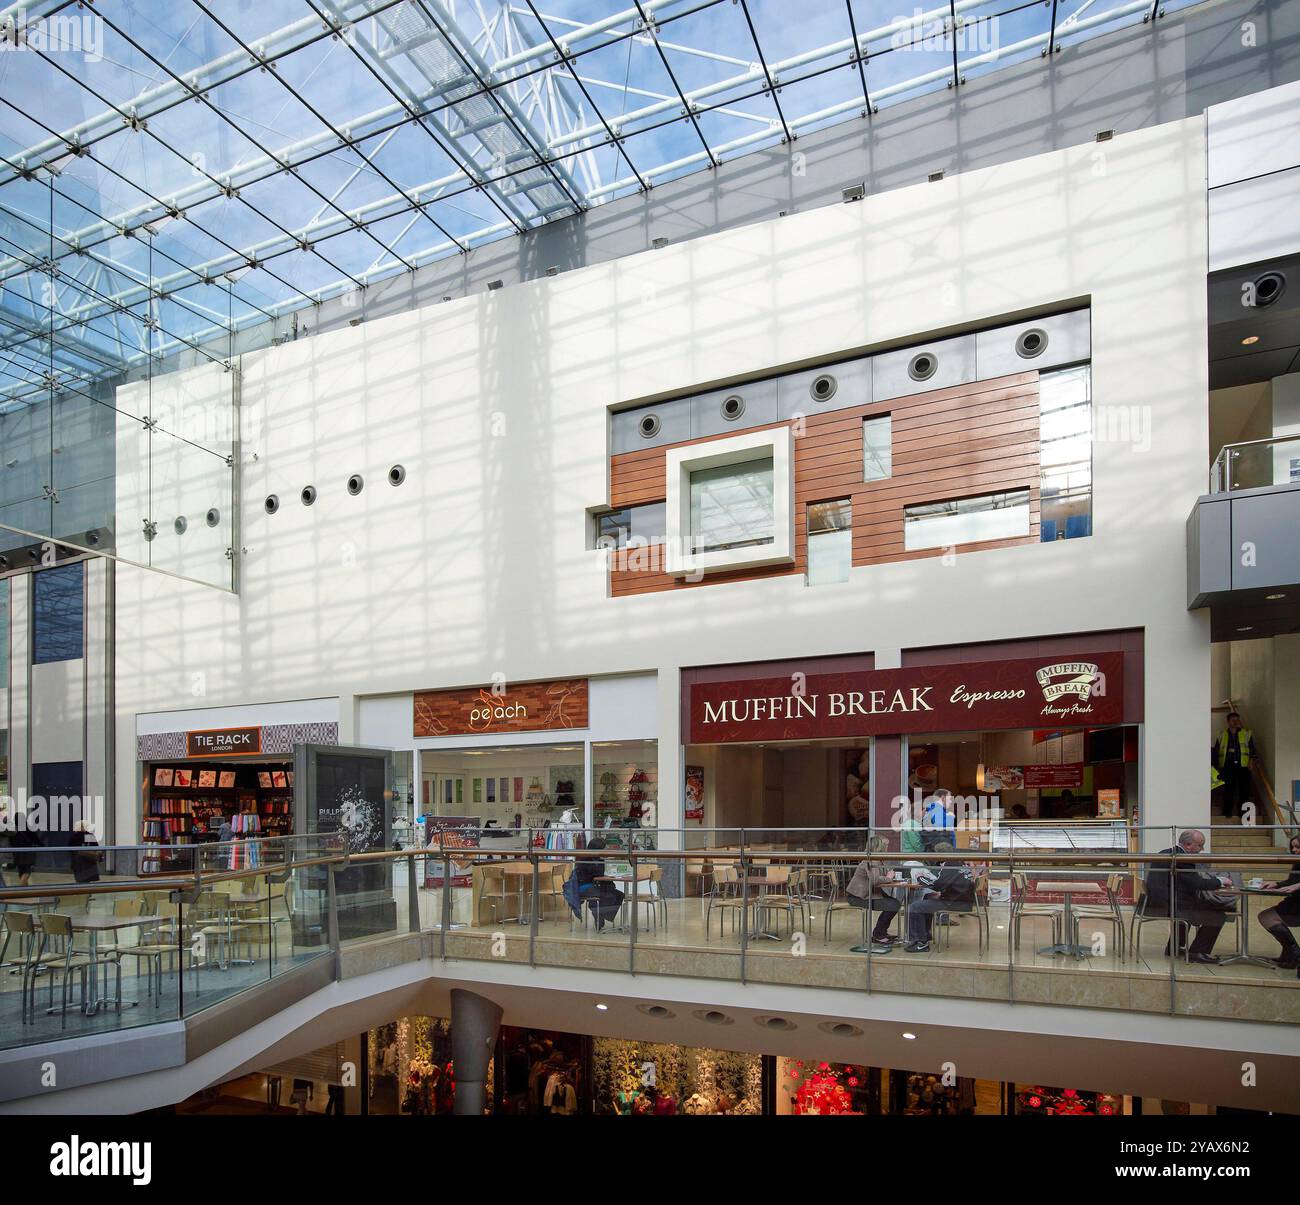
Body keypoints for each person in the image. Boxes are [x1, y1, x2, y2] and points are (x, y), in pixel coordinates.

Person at [1146, 829, 1234, 963]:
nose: (1202, 849)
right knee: (1217, 915)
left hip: (1160, 901)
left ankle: (1174, 948)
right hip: (1171, 905)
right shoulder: (1182, 859)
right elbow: (1196, 883)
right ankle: (1197, 952)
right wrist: (1220, 881)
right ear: (1188, 845)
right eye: (1199, 845)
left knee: (1192, 908)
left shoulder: (1167, 852)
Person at [903, 841, 975, 953]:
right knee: (927, 897)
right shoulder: (960, 862)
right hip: (962, 900)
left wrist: (920, 877)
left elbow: (937, 885)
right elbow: (947, 884)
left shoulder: (950, 865)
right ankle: (925, 935)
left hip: (955, 902)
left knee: (915, 906)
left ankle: (920, 943)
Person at [844, 835, 903, 953]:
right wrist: (889, 878)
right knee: (894, 904)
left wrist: (889, 876)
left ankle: (880, 932)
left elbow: (884, 876)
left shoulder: (878, 859)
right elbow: (875, 880)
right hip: (857, 897)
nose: (887, 848)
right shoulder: (870, 860)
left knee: (894, 902)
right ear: (879, 847)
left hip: (870, 894)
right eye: (885, 846)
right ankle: (878, 934)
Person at [1257, 834, 1300, 969]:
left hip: (1297, 903)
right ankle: (1290, 952)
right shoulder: (1298, 863)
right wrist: (1276, 883)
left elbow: (1295, 884)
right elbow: (1292, 882)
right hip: (1295, 901)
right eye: (1292, 847)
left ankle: (1294, 952)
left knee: (1267, 917)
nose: (1294, 850)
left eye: (1297, 847)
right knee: (1266, 916)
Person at [565, 837, 625, 932]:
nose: (605, 850)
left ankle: (603, 915)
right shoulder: (585, 859)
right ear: (597, 849)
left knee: (619, 894)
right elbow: (589, 876)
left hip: (594, 884)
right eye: (604, 848)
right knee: (604, 895)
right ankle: (598, 917)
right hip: (582, 886)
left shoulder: (600, 859)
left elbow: (600, 874)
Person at [1213, 712, 1257, 820]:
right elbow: (1217, 750)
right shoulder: (1222, 734)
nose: (1235, 722)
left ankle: (1244, 814)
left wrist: (1251, 761)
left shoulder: (1246, 733)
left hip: (1243, 766)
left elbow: (1252, 749)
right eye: (1233, 720)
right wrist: (1215, 766)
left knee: (1244, 791)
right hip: (1227, 766)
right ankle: (1227, 812)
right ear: (1228, 722)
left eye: (1237, 720)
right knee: (1228, 790)